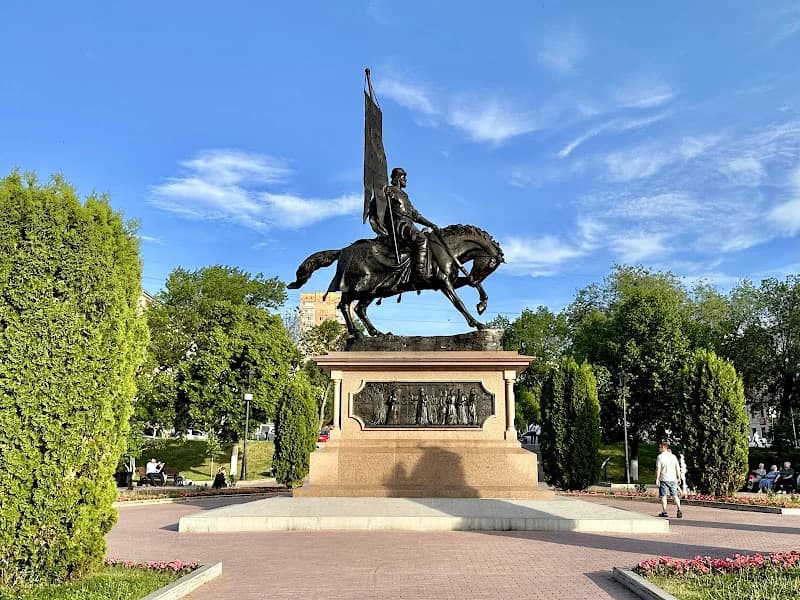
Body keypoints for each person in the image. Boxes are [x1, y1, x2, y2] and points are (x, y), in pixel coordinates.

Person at [379, 168, 438, 281]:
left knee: (429, 239)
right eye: (403, 177)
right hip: (400, 225)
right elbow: (378, 207)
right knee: (422, 239)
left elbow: (415, 215)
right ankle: (418, 273)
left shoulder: (404, 195)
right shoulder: (389, 191)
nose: (405, 180)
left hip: (409, 224)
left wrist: (431, 224)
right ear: (397, 178)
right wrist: (384, 194)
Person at [655, 442, 682, 518]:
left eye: (660, 447)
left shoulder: (660, 457)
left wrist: (657, 479)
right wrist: (679, 477)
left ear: (663, 448)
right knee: (675, 495)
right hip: (673, 479)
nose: (659, 449)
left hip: (663, 479)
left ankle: (664, 511)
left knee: (663, 496)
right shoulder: (673, 456)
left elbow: (658, 468)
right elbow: (677, 467)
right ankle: (679, 509)